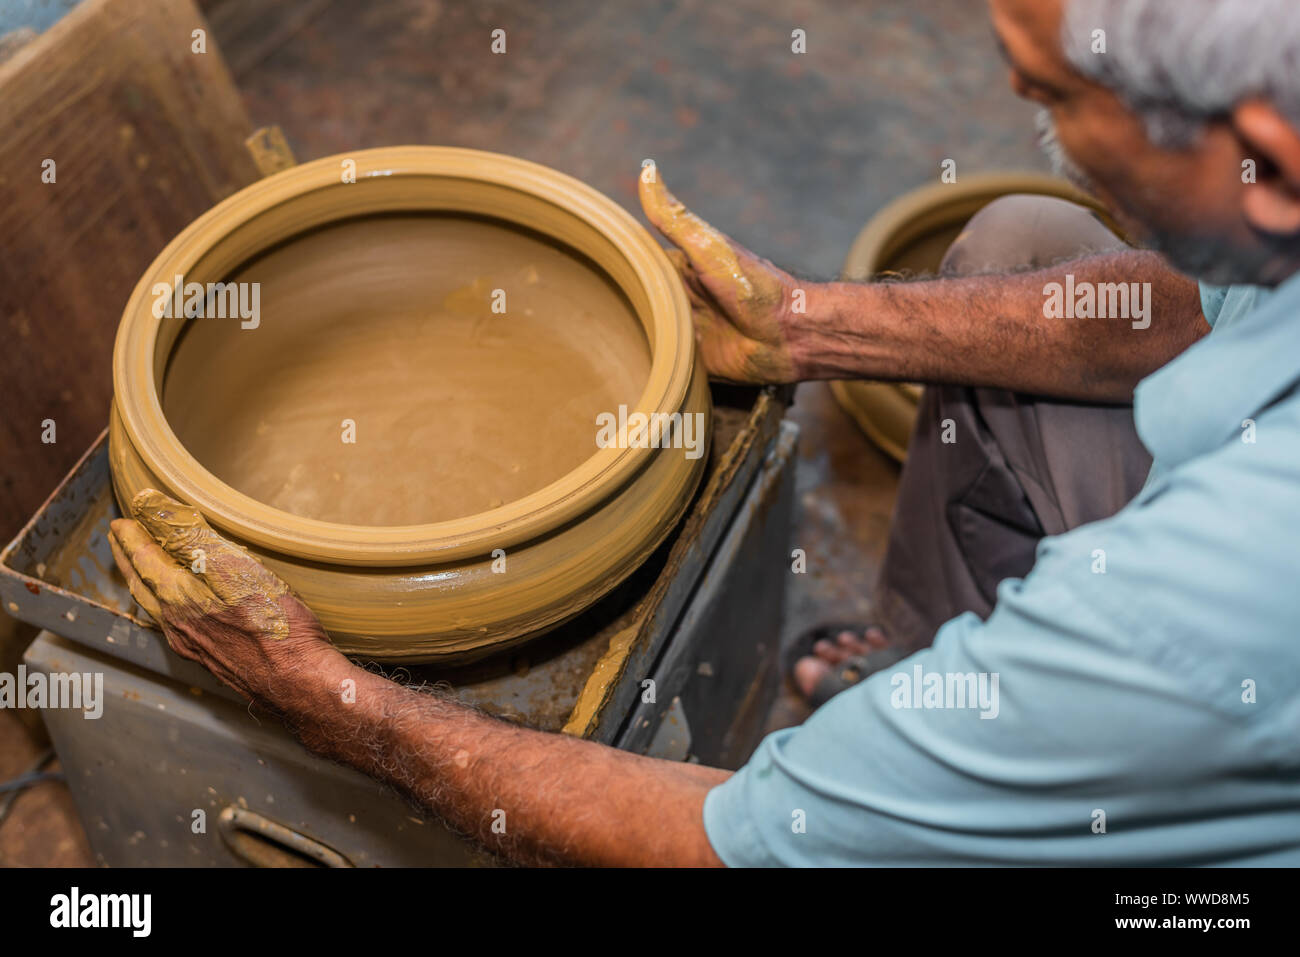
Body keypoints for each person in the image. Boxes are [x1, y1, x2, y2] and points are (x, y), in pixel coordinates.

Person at [110, 0, 1300, 866]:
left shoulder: (1186, 609)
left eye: (1051, 93)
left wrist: (323, 696)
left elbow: (726, 846)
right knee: (1027, 243)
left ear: (1263, 152)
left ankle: (961, 756)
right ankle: (919, 660)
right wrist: (806, 328)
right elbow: (1204, 303)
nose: (1016, 105)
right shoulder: (1278, 183)